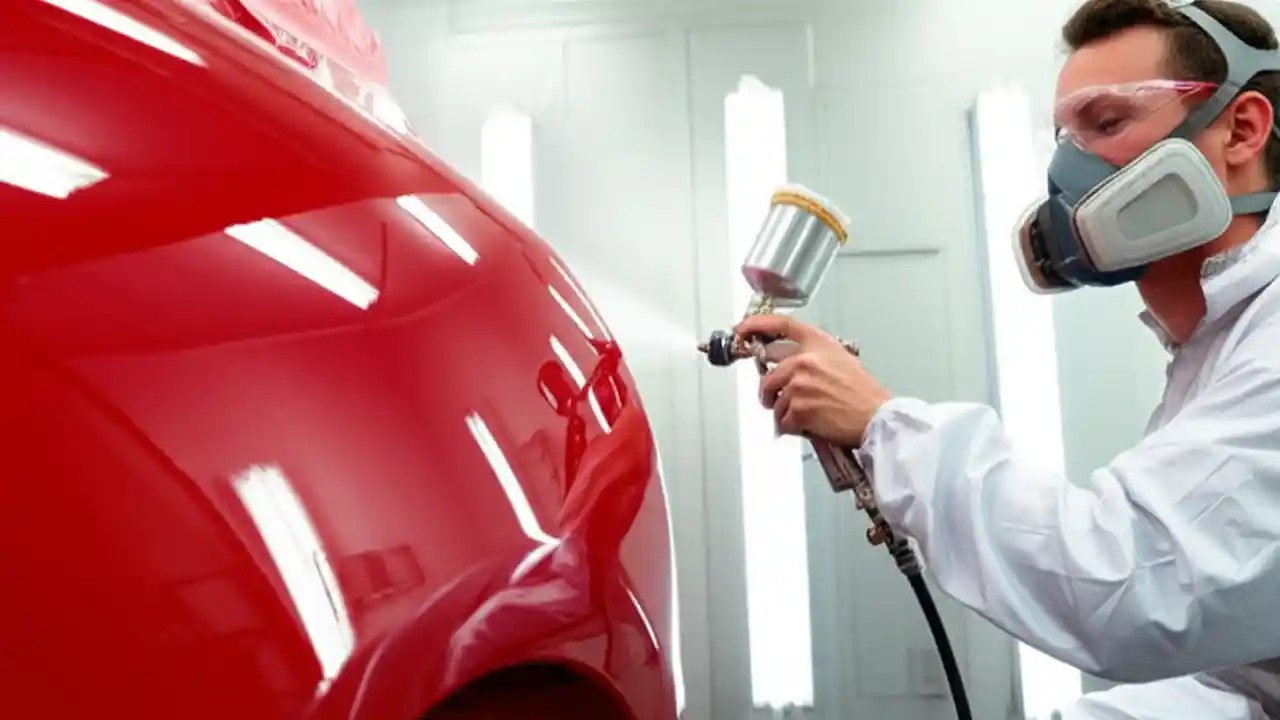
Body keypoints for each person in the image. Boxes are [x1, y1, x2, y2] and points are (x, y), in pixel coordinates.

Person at [736, 1, 1280, 718]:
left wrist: (882, 426)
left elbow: (1130, 583)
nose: (1068, 168)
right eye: (1063, 136)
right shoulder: (1213, 351)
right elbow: (1243, 672)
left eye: (1107, 123)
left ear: (1240, 130)